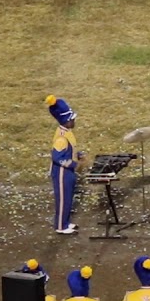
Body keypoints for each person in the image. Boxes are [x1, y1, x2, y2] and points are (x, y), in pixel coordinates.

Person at [45, 95, 82, 235]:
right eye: (72, 119)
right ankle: (61, 226)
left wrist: (78, 155)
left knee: (68, 198)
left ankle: (65, 222)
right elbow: (57, 157)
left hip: (67, 172)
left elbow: (70, 149)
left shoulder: (67, 132)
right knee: (63, 199)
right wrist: (73, 164)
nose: (74, 121)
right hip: (61, 173)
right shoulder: (61, 137)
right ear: (65, 121)